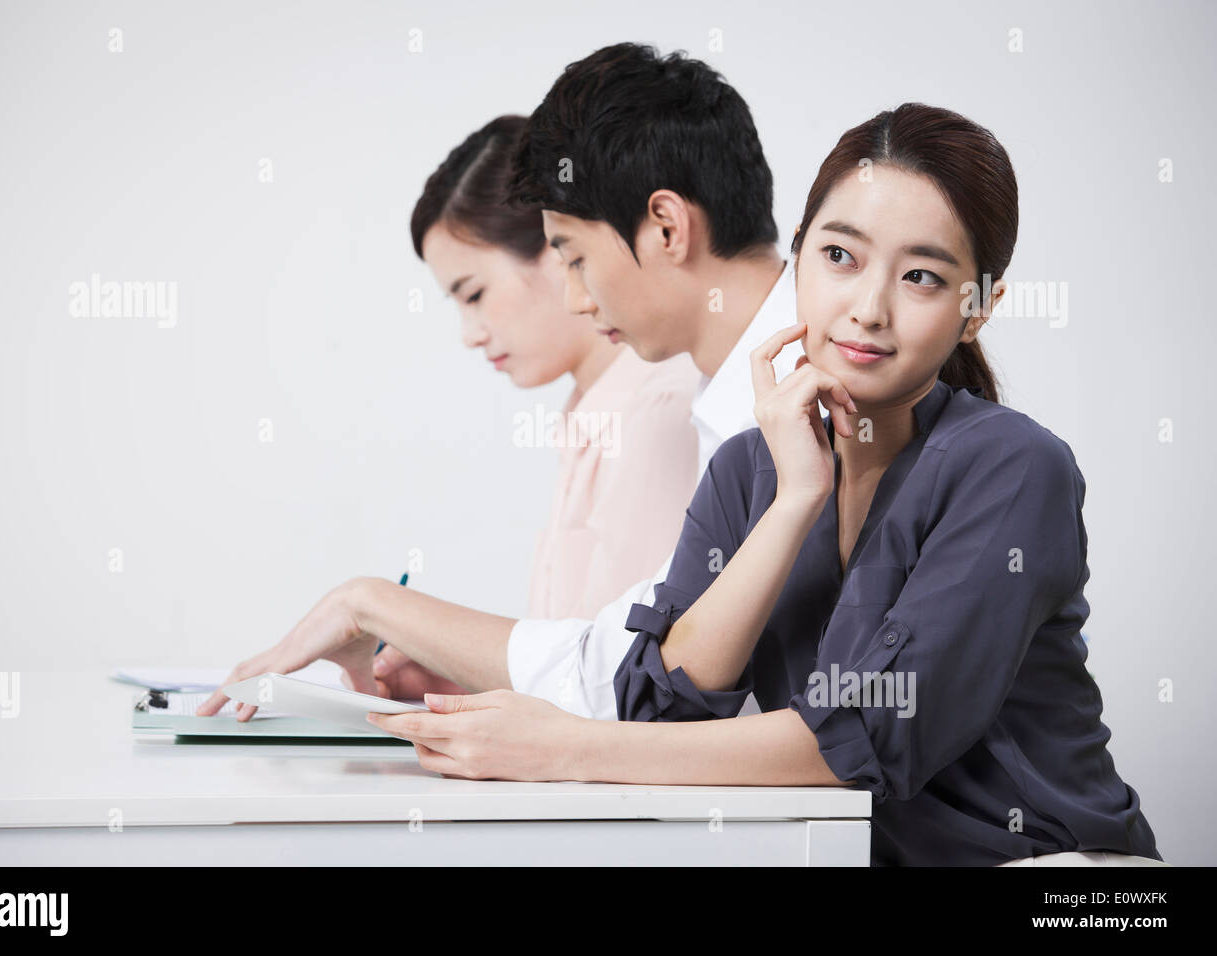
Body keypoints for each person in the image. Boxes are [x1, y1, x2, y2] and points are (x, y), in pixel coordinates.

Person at [366, 103, 1164, 868]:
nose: (868, 310)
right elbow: (665, 700)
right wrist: (793, 503)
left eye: (921, 277)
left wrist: (563, 746)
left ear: (977, 309)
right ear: (799, 257)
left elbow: (871, 737)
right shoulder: (750, 466)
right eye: (839, 257)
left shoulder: (1014, 467)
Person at [198, 42, 804, 717]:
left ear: (666, 226)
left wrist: (374, 604)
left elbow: (650, 693)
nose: (578, 298)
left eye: (573, 257)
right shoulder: (727, 402)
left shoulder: (796, 400)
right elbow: (631, 665)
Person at [411, 113, 700, 625]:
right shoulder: (592, 414)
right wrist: (453, 675)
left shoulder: (660, 411)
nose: (469, 334)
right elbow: (572, 672)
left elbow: (629, 685)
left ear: (558, 246)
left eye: (474, 294)